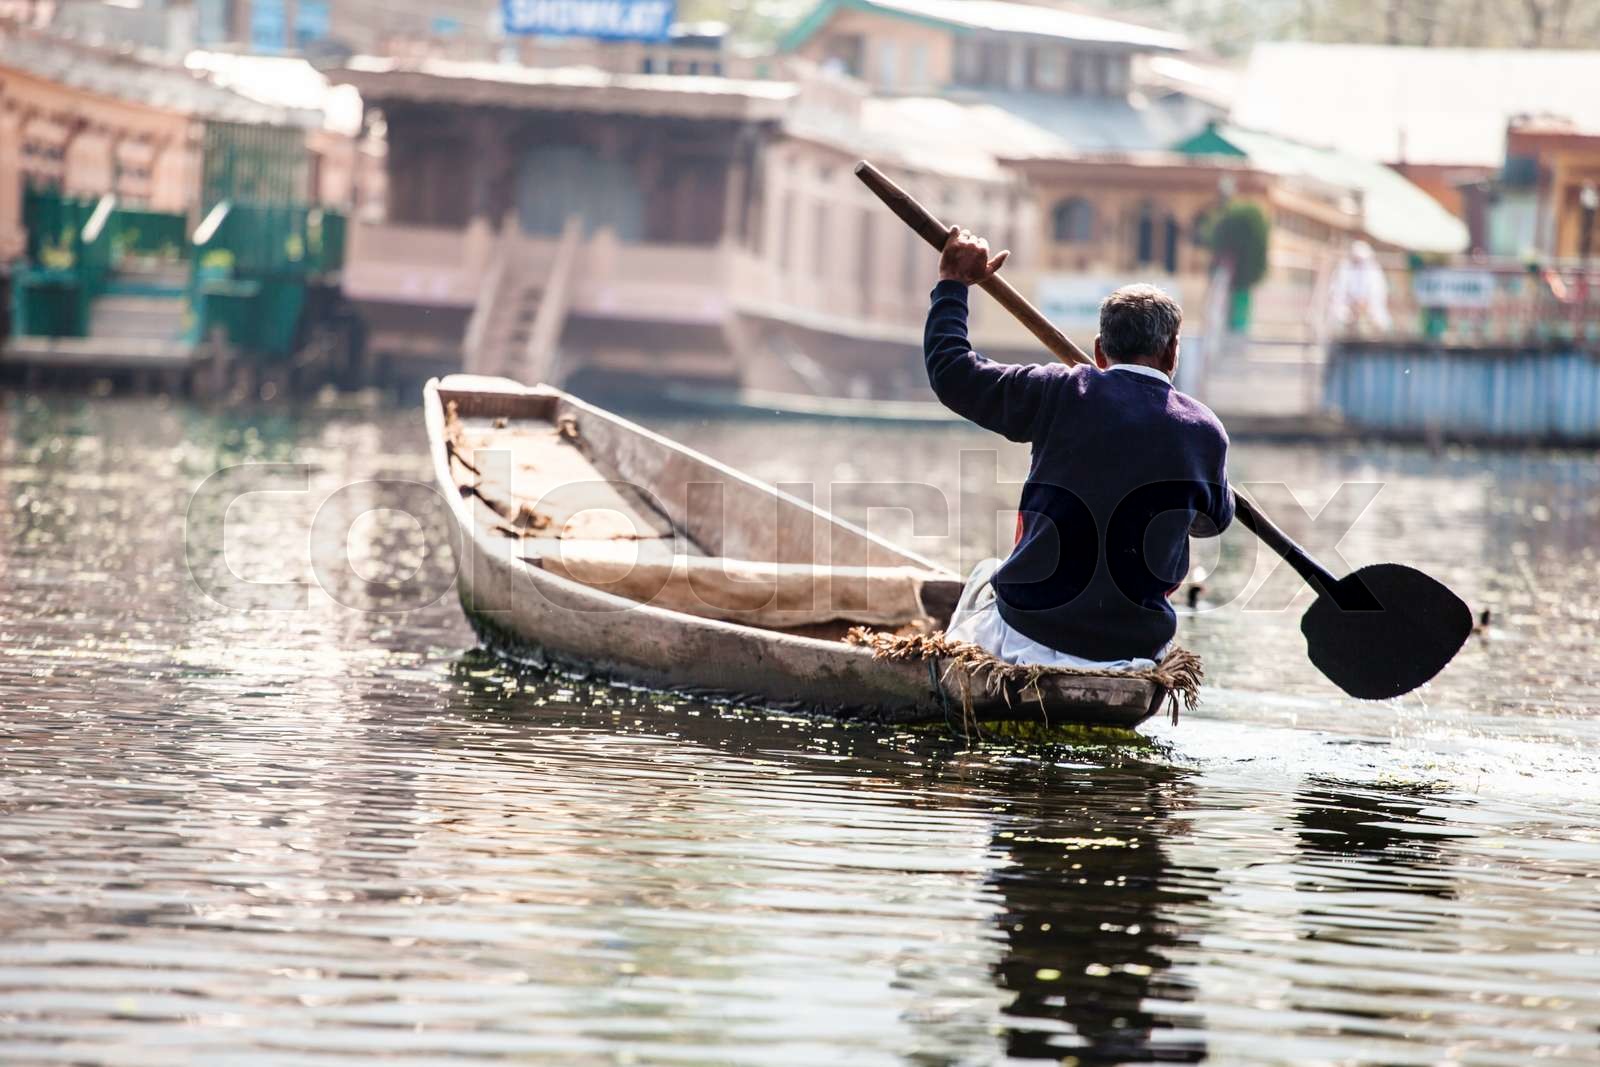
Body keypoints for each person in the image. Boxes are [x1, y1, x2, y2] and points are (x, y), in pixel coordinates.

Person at [925, 227, 1233, 668]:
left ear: (1099, 351)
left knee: (983, 575)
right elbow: (1212, 522)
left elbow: (951, 373)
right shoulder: (1206, 432)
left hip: (1025, 636)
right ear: (1172, 354)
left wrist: (952, 285)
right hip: (1135, 651)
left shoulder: (1060, 390)